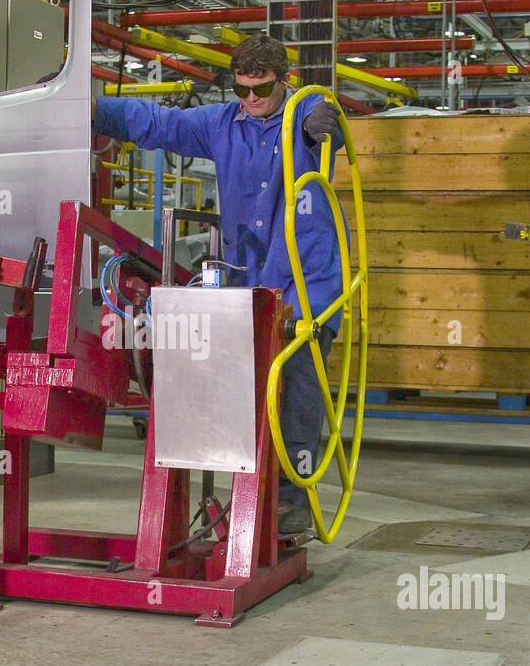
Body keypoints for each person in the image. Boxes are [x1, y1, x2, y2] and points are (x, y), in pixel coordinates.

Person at [92, 32, 345, 535]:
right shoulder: (222, 124)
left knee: (294, 383)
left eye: (262, 89)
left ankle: (292, 499)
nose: (251, 99)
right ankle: (251, 496)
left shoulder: (302, 114)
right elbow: (158, 123)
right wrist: (89, 107)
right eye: (242, 89)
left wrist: (321, 121)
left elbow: (321, 109)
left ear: (284, 81)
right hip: (249, 286)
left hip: (304, 285)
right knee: (242, 390)